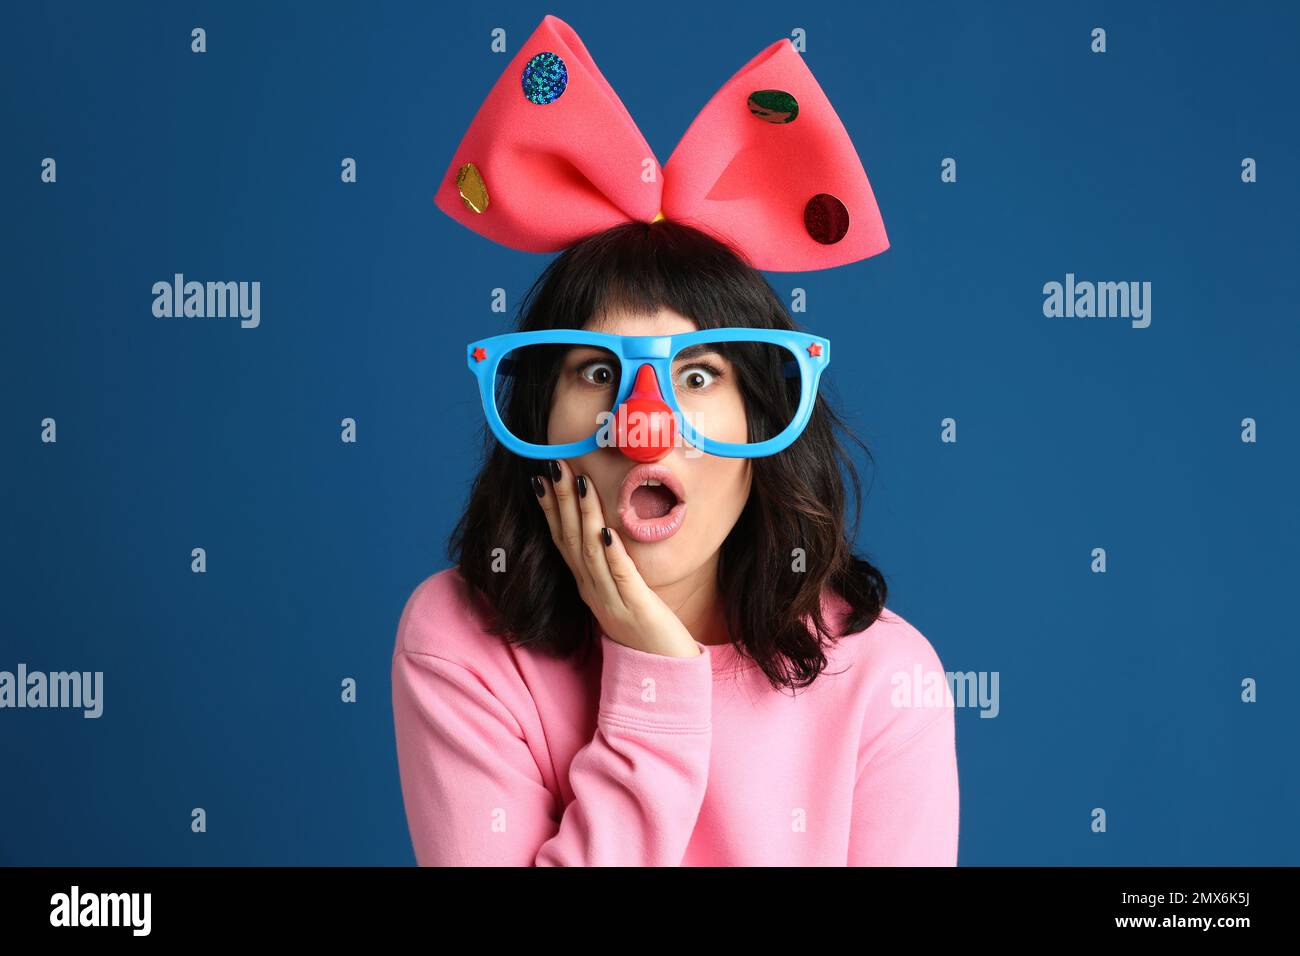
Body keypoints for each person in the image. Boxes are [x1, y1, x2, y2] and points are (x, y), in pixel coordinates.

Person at [392, 14, 958, 866]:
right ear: (539, 418)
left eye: (697, 376)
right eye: (593, 372)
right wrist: (651, 678)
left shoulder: (888, 679)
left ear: (763, 420)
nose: (642, 420)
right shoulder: (459, 640)